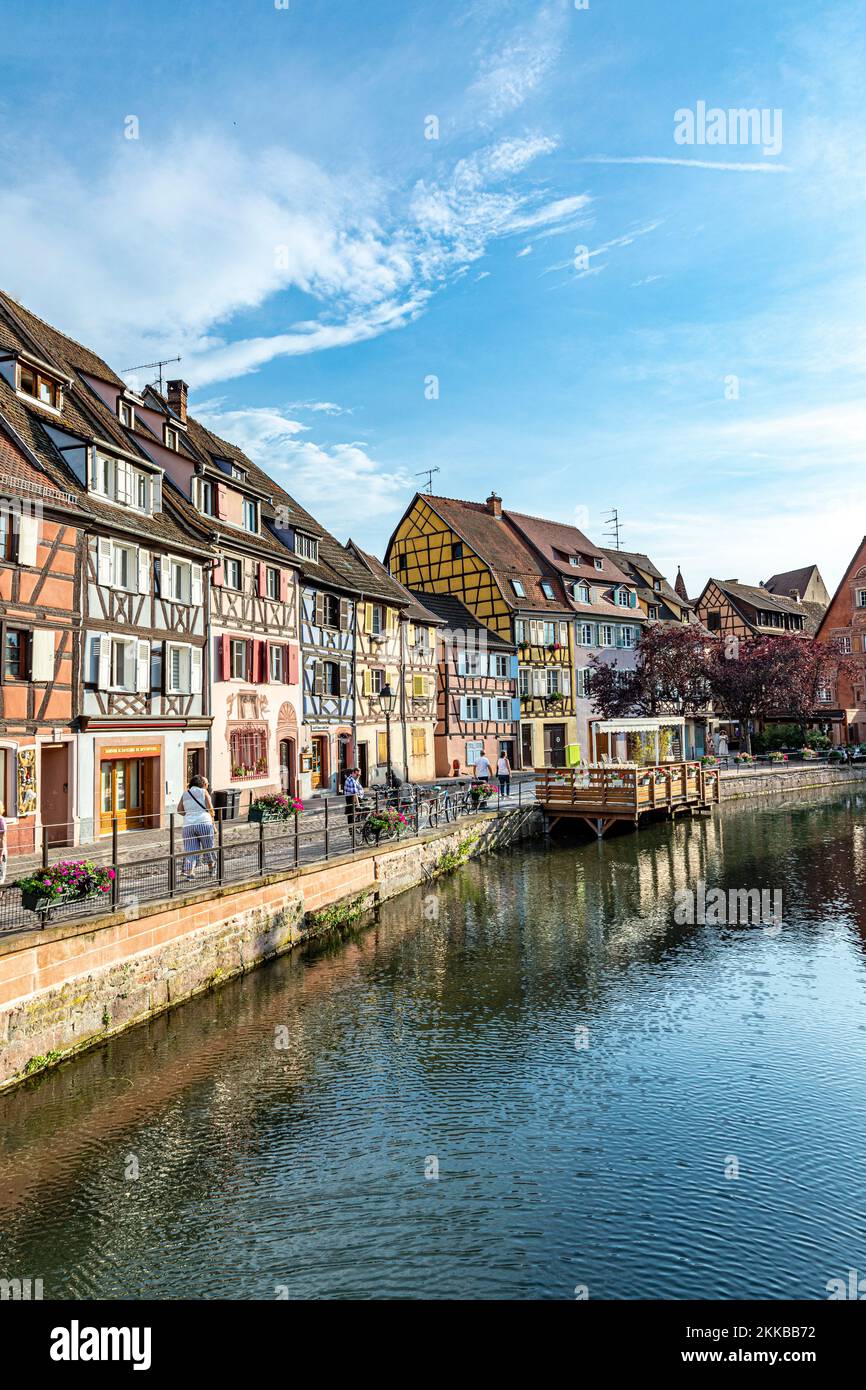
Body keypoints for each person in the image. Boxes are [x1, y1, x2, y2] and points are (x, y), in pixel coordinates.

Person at [177, 775, 216, 878]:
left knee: (190, 850)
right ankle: (211, 869)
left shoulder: (185, 794)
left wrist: (190, 815)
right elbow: (210, 808)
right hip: (204, 823)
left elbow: (179, 810)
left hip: (188, 825)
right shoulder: (203, 792)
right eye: (206, 784)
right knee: (208, 847)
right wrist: (213, 822)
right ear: (202, 784)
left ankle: (190, 873)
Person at [0, 801, 7, 885]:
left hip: (0, 851)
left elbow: (2, 838)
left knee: (0, 874)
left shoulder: (1, 820)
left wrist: (1, 854)